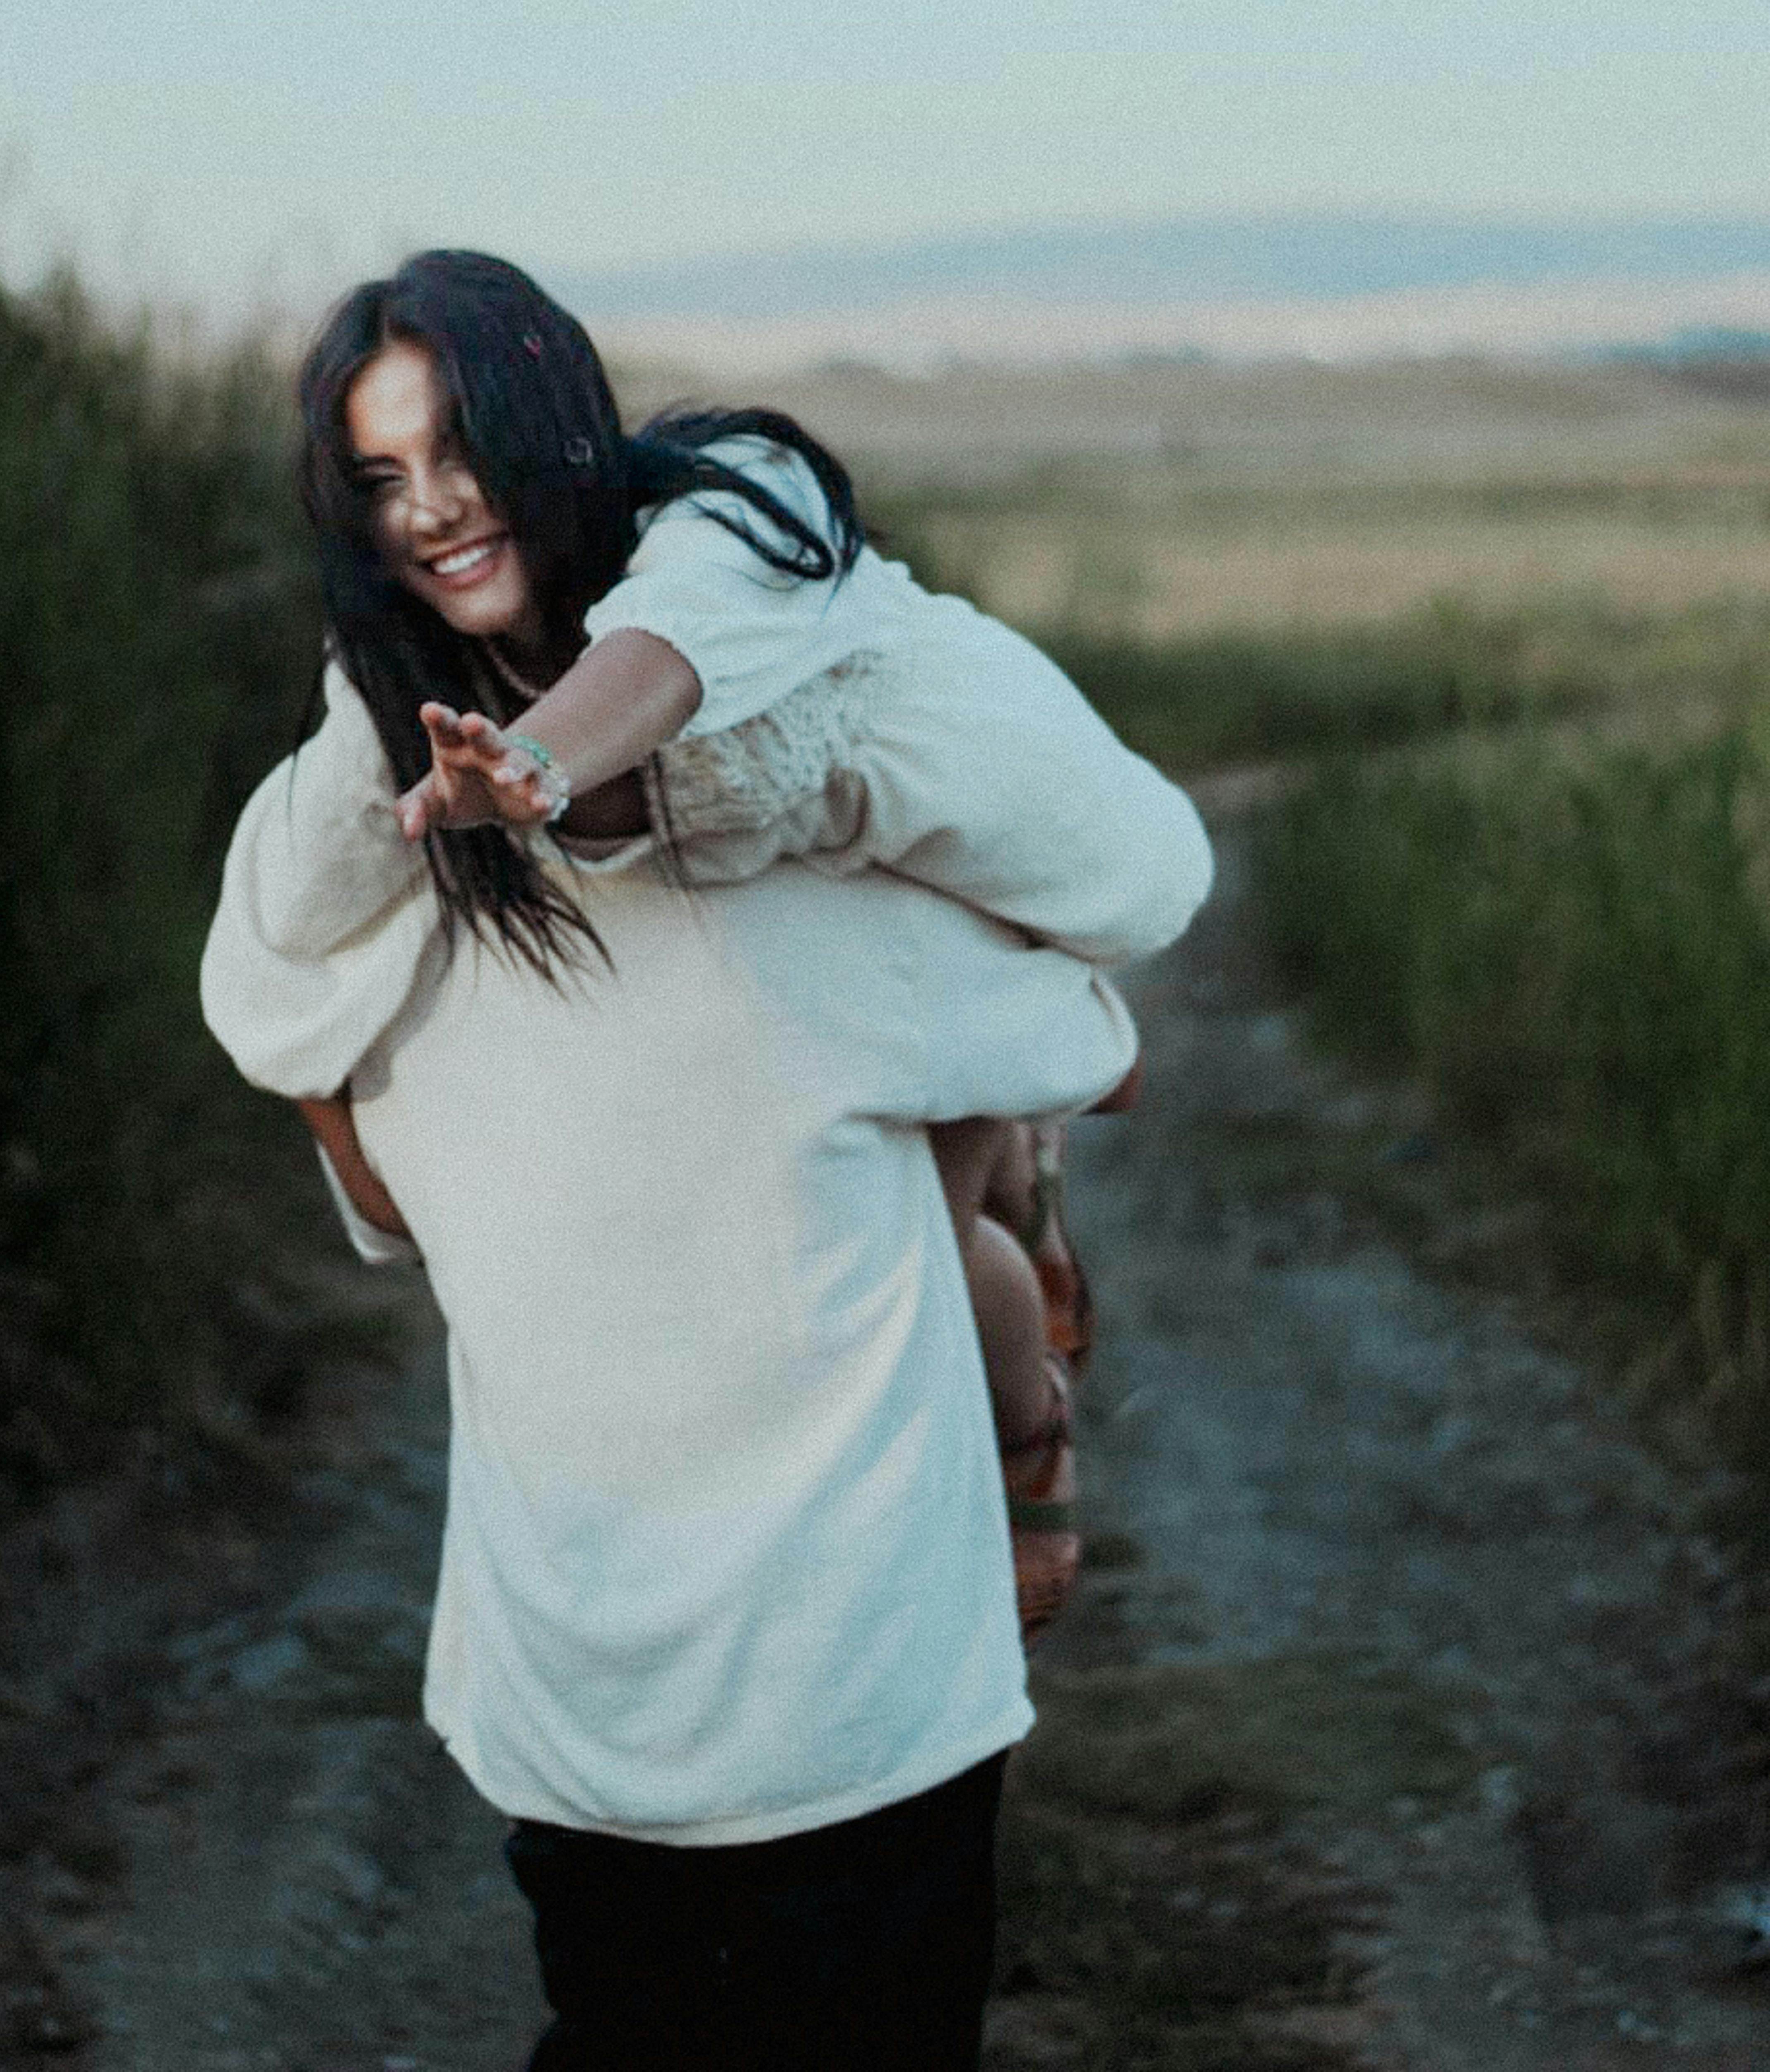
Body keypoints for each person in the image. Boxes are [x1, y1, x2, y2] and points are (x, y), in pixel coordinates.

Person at [201, 251, 1213, 2065]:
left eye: (457, 453)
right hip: (644, 1690)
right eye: (380, 479)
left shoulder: (750, 630)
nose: (427, 509)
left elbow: (347, 1156)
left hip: (812, 1688)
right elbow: (1092, 1026)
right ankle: (1005, 1280)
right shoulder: (428, 887)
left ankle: (1004, 1312)